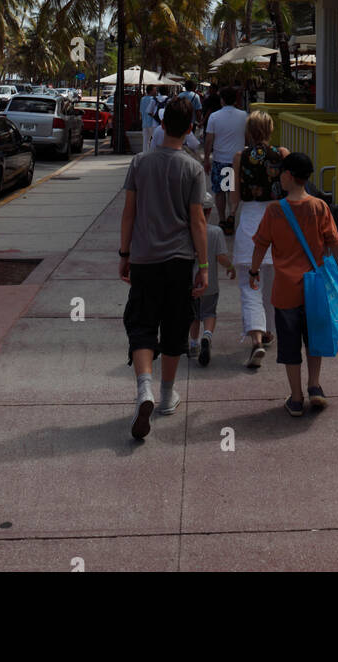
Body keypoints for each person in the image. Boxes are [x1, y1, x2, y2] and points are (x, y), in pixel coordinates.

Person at [119, 96, 209, 440]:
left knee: (142, 323)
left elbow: (129, 212)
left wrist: (124, 253)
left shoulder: (139, 163)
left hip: (143, 259)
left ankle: (144, 389)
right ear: (189, 130)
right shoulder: (192, 168)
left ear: (160, 125)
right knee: (175, 325)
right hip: (179, 261)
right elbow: (198, 221)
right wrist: (204, 266)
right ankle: (168, 395)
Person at [249, 152, 338, 418]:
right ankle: (314, 386)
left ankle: (296, 399)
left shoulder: (274, 210)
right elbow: (335, 242)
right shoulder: (319, 207)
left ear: (289, 175)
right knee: (314, 339)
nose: (279, 177)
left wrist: (253, 271)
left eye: (281, 172)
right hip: (315, 289)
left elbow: (261, 244)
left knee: (289, 345)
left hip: (285, 291)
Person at [230, 111, 288, 368]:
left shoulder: (239, 157)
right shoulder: (283, 154)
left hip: (250, 223)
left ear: (249, 130)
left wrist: (231, 216)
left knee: (249, 285)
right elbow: (290, 190)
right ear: (270, 129)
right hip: (277, 223)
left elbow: (235, 195)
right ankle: (268, 331)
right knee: (273, 285)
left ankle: (256, 337)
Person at [188, 195, 236, 365]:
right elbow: (221, 257)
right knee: (209, 312)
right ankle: (207, 336)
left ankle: (193, 344)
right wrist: (230, 267)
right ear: (210, 211)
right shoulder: (216, 232)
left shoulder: (187, 230)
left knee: (193, 316)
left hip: (190, 283)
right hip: (210, 284)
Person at [203, 85, 249, 231]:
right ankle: (233, 215)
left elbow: (209, 140)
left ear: (222, 100)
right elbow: (248, 137)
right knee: (234, 189)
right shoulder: (244, 115)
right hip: (238, 160)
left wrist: (206, 159)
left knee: (221, 191)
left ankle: (222, 219)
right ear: (235, 100)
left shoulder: (214, 117)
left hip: (220, 159)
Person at [139, 84, 159, 152]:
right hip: (153, 123)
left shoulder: (142, 99)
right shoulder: (154, 99)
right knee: (155, 140)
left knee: (145, 141)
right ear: (151, 91)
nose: (156, 92)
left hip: (144, 123)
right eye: (155, 90)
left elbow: (141, 111)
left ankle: (145, 154)